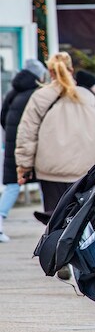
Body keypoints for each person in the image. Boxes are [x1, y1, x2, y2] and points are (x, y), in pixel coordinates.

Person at [15, 53, 95, 223]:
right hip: (84, 172)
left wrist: (24, 166)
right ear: (71, 70)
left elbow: (27, 134)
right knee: (79, 223)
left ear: (50, 72)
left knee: (55, 222)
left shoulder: (40, 97)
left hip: (50, 172)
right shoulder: (88, 97)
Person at [0, 59, 47, 242]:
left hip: (13, 145)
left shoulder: (13, 92)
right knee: (46, 185)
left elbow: (2, 117)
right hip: (35, 147)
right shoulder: (38, 94)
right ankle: (51, 224)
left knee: (12, 186)